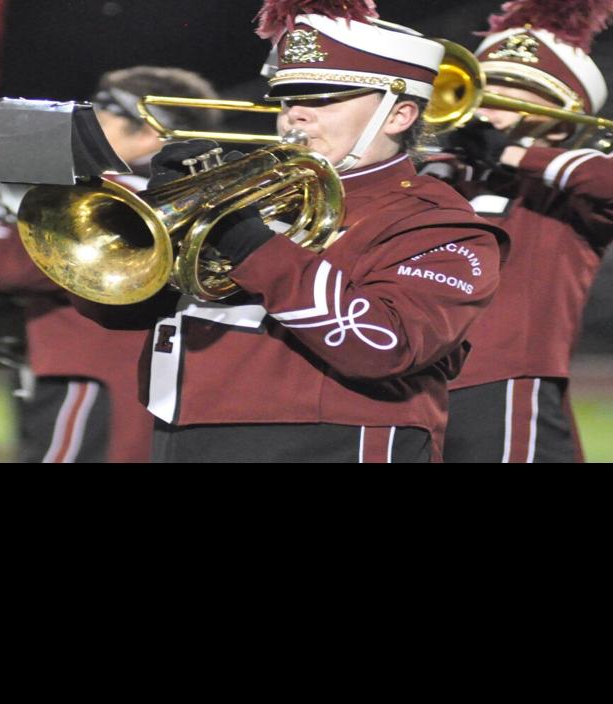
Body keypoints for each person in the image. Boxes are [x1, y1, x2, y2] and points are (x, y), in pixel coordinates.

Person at [52, 0, 506, 463]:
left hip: (332, 445)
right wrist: (160, 220)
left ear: (398, 116)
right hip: (186, 432)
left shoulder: (436, 222)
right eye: (288, 99)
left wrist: (247, 242)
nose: (296, 115)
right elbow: (113, 307)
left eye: (323, 99)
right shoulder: (260, 198)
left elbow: (383, 346)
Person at [0, 67, 224, 463]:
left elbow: (16, 263)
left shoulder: (121, 197)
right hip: (146, 375)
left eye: (103, 114)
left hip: (95, 373)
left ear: (150, 134)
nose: (83, 128)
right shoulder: (181, 196)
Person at [436, 0, 613, 463]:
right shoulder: (441, 173)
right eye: (487, 84)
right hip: (408, 380)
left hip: (500, 380)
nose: (493, 98)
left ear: (564, 117)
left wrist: (513, 155)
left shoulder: (568, 195)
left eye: (518, 87)